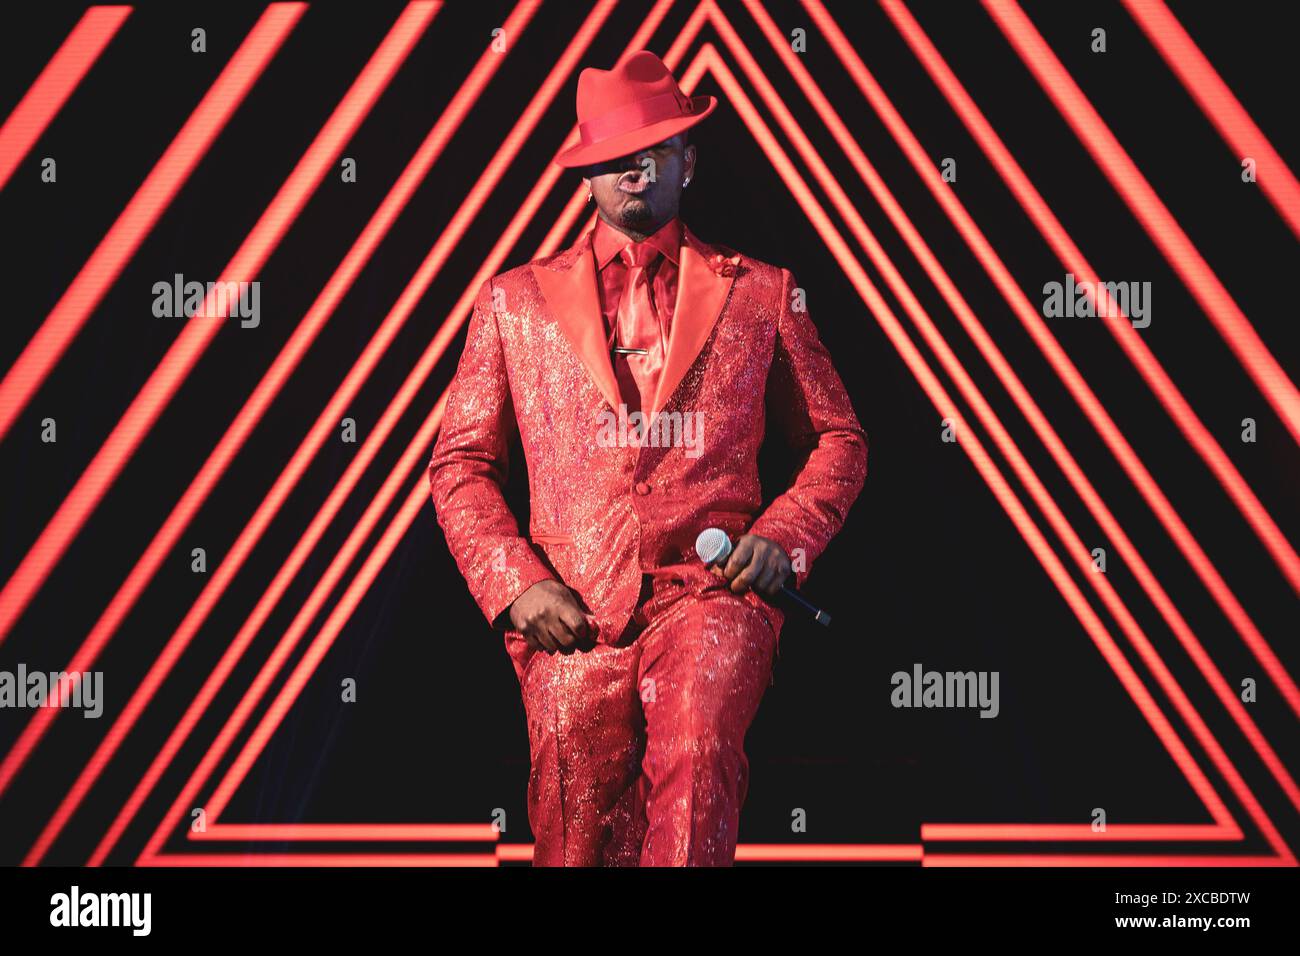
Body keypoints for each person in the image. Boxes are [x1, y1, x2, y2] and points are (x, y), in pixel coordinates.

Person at [427, 50, 867, 866]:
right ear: (586, 173)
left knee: (697, 752)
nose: (633, 169)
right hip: (573, 615)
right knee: (573, 821)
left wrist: (785, 539)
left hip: (712, 595)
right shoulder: (512, 301)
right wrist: (517, 584)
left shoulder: (761, 292)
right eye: (613, 156)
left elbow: (838, 438)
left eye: (654, 150)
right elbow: (460, 464)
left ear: (688, 162)